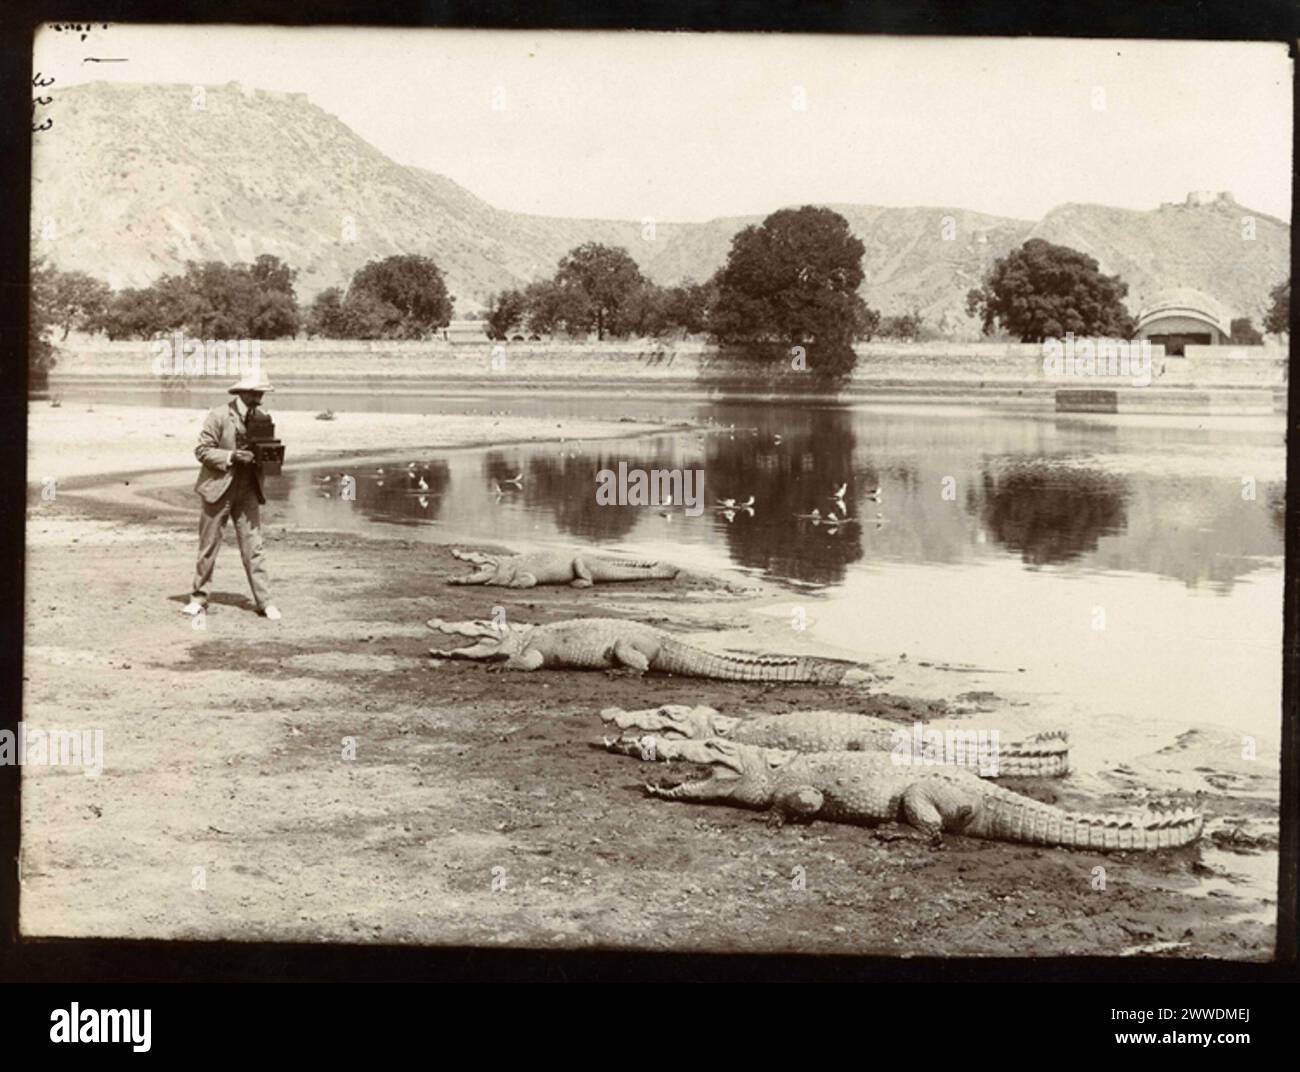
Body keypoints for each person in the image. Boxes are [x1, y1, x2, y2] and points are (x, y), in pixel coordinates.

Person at [180, 371, 281, 620]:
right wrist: (231, 456)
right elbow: (202, 450)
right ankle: (198, 598)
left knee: (254, 547)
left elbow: (266, 451)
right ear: (242, 392)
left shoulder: (263, 418)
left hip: (249, 490)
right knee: (208, 546)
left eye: (262, 393)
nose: (260, 397)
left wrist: (269, 458)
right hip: (217, 488)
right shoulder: (218, 416)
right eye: (256, 393)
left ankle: (265, 601)